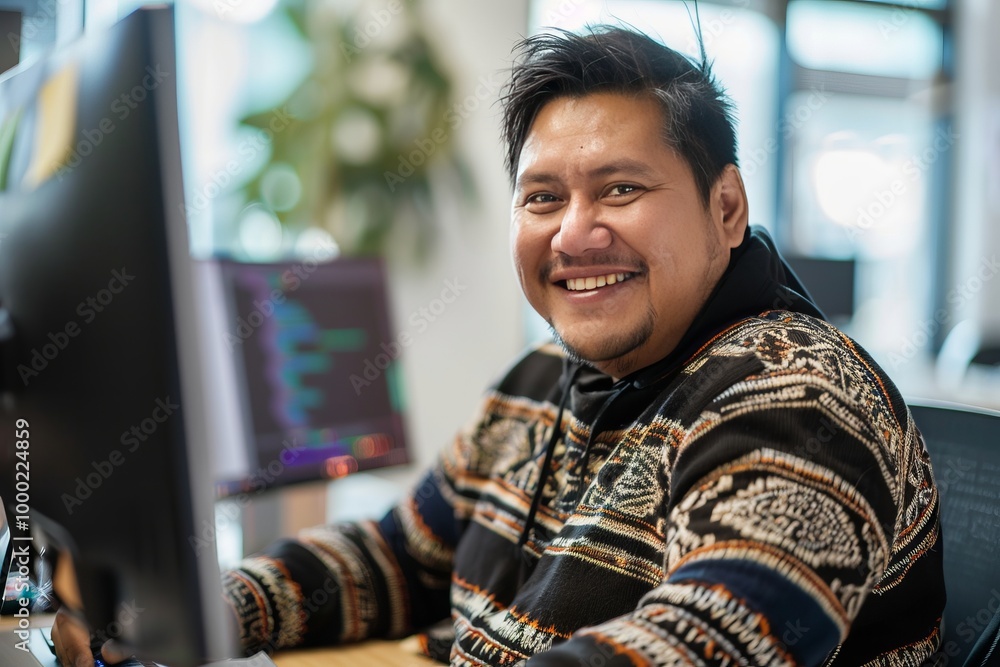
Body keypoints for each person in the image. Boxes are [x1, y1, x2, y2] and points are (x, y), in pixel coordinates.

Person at [57, 25, 945, 667]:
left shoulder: (797, 396)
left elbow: (706, 642)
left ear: (726, 207)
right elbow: (402, 554)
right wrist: (198, 617)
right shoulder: (544, 377)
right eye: (543, 197)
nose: (576, 233)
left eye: (622, 187)